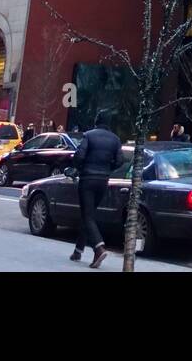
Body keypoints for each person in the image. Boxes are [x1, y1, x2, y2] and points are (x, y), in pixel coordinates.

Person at [69, 111, 123, 268]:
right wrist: (108, 169)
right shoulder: (115, 139)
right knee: (89, 215)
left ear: (97, 120)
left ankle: (99, 248)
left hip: (87, 179)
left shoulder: (89, 135)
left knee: (87, 216)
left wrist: (81, 168)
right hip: (103, 180)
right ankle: (78, 251)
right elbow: (120, 161)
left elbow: (79, 156)